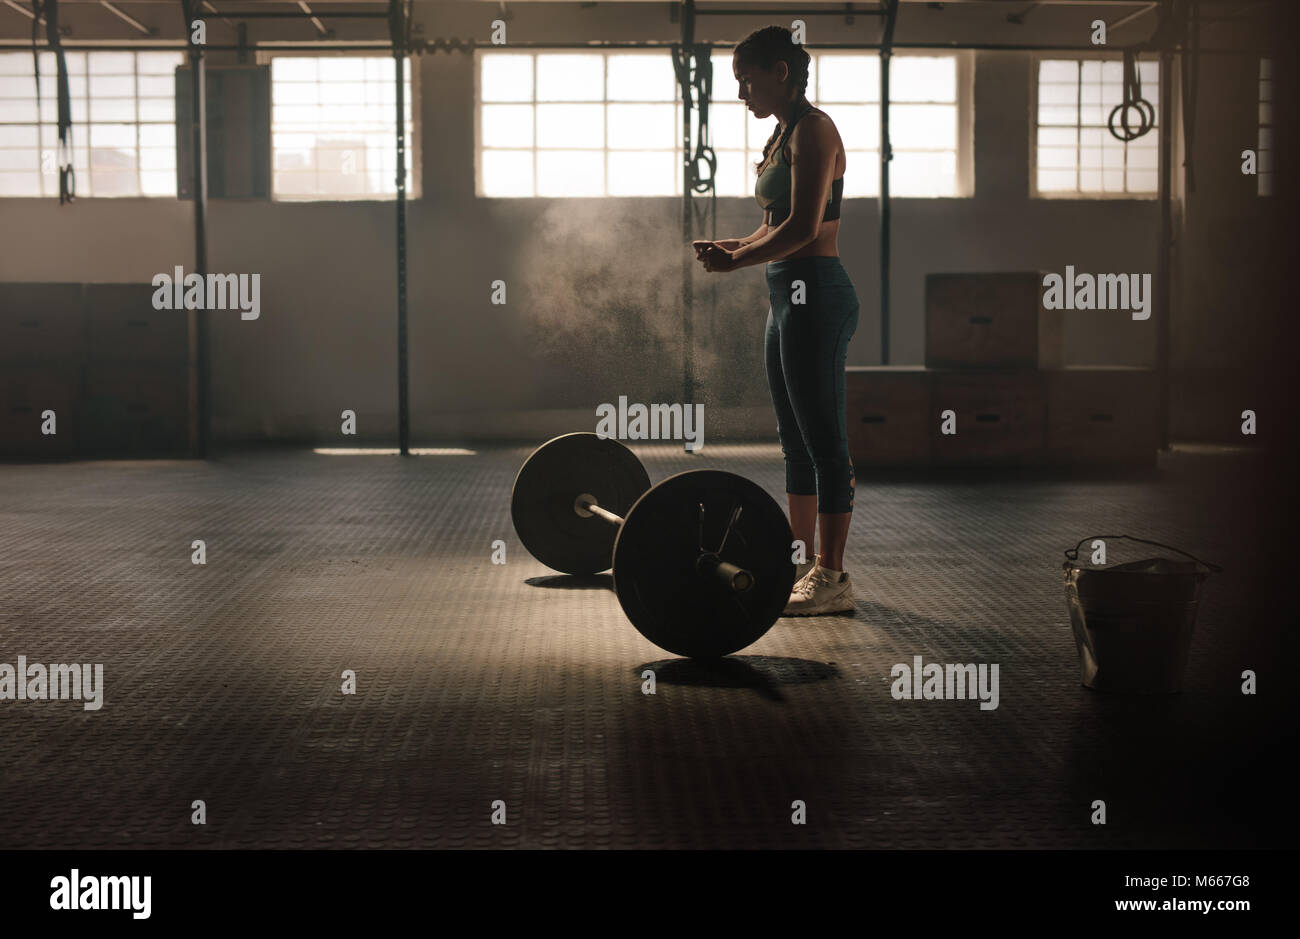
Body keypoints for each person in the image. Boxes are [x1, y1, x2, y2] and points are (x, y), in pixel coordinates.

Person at [693, 25, 858, 616]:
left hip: (817, 291)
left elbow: (805, 229)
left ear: (780, 72)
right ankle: (802, 564)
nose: (741, 93)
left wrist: (736, 260)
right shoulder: (783, 134)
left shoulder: (814, 130)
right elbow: (773, 226)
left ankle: (833, 577)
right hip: (785, 292)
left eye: (746, 79)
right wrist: (733, 245)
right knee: (795, 444)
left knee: (825, 443)